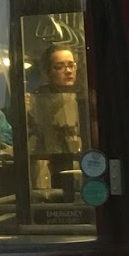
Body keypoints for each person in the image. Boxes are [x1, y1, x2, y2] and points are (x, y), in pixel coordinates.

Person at [27, 42, 85, 194]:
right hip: (50, 167)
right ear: (47, 73)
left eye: (71, 65)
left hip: (84, 164)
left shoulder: (85, 96)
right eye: (59, 67)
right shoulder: (37, 101)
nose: (68, 71)